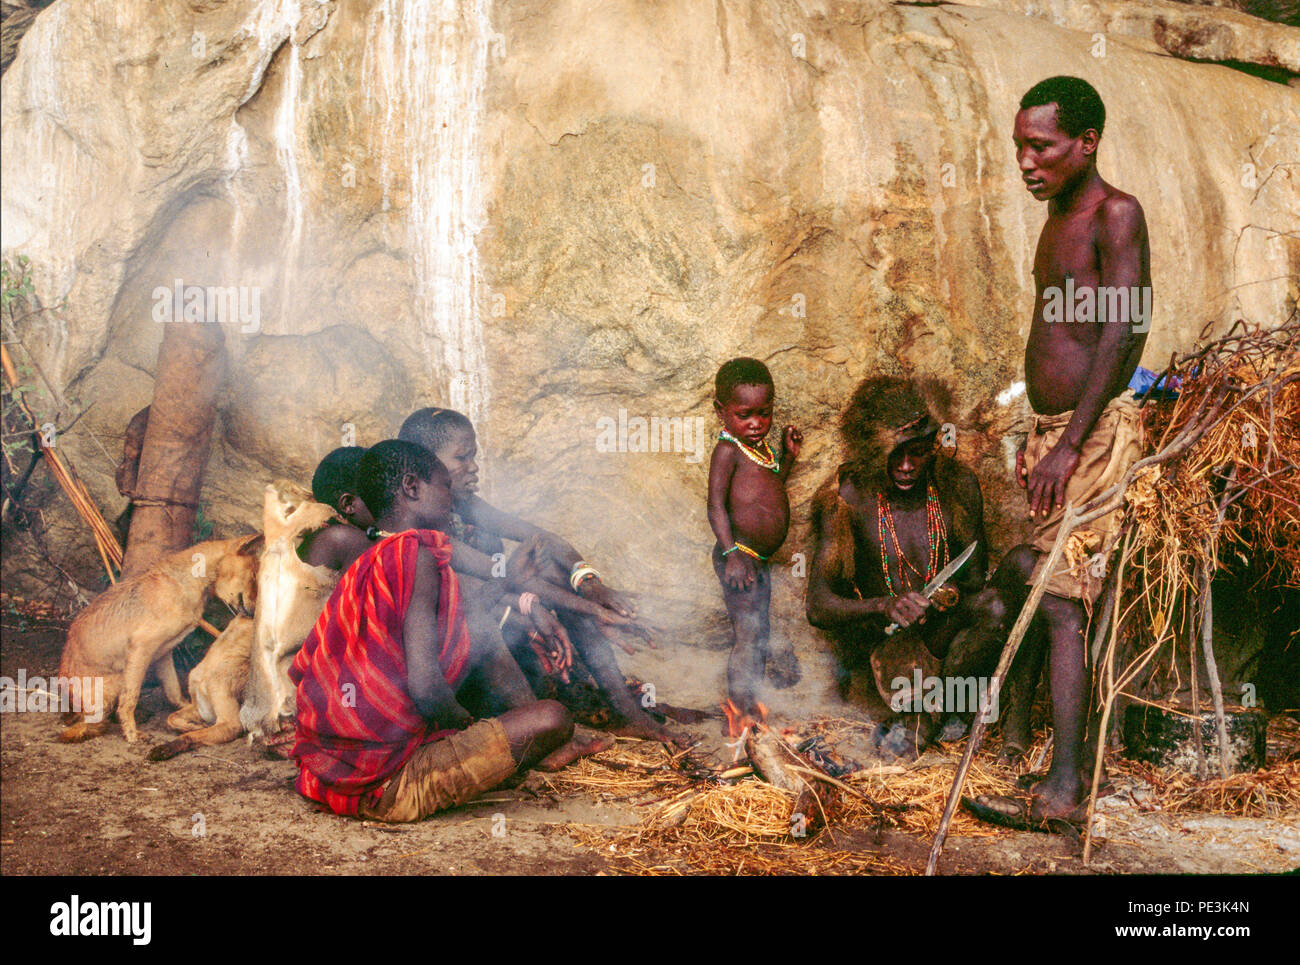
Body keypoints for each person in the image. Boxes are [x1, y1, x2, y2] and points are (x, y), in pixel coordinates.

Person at [289, 440, 604, 821]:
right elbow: (426, 688)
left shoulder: (382, 551)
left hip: (329, 771)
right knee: (553, 718)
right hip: (389, 787)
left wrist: (516, 583)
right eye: (445, 486)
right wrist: (467, 730)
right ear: (411, 487)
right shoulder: (415, 558)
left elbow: (490, 575)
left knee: (478, 631)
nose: (452, 498)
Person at [1011, 75, 1149, 821]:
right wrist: (1036, 433)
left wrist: (1069, 442)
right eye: (1020, 148)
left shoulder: (1114, 213)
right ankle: (1038, 760)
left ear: (1086, 142)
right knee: (1043, 587)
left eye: (1042, 146)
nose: (1027, 162)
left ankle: (1065, 787)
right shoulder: (1059, 214)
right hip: (1057, 433)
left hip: (1089, 434)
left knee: (1065, 603)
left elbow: (1125, 330)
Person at [398, 408, 681, 743]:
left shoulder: (461, 505)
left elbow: (540, 541)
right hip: (466, 662)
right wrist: (539, 605)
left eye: (473, 456)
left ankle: (624, 710)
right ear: (423, 466)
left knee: (551, 565)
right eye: (463, 458)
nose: (473, 467)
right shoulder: (414, 532)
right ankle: (545, 731)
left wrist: (588, 584)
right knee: (518, 589)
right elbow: (479, 590)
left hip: (504, 622)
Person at [806, 376, 1044, 759]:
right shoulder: (846, 498)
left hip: (945, 640)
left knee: (1027, 566)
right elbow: (817, 606)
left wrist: (942, 599)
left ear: (934, 445)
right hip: (887, 656)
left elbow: (974, 579)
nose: (906, 466)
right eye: (894, 455)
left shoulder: (957, 484)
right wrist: (884, 605)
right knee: (994, 604)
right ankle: (926, 717)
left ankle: (1010, 726)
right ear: (871, 450)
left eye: (917, 452)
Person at [707, 358, 802, 725]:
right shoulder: (727, 451)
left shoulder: (760, 448)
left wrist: (788, 458)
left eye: (764, 413)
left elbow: (771, 486)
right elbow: (715, 506)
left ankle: (752, 707)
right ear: (722, 412)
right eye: (745, 414)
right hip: (739, 557)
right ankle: (739, 712)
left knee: (759, 633)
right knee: (747, 636)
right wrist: (732, 554)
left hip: (756, 559)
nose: (756, 423)